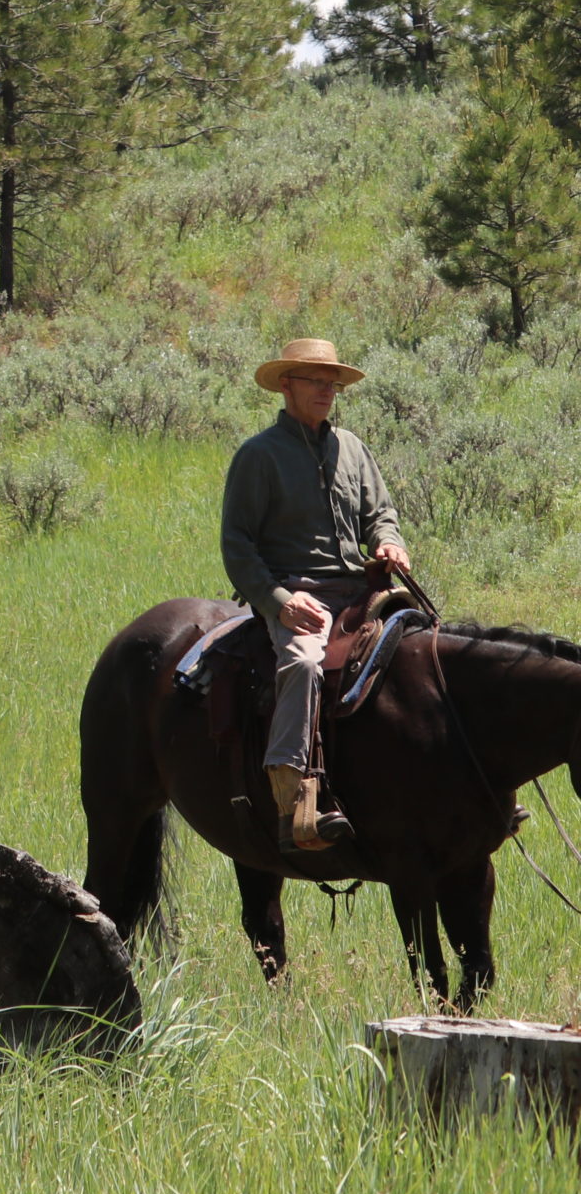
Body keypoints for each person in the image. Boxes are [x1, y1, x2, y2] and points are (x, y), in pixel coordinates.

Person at [220, 337, 410, 852]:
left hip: (362, 589)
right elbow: (236, 545)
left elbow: (380, 514)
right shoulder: (258, 455)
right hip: (300, 595)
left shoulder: (351, 446)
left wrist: (389, 543)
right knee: (303, 663)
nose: (328, 390)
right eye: (316, 381)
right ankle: (290, 798)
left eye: (333, 382)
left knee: (431, 646)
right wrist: (279, 601)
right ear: (286, 385)